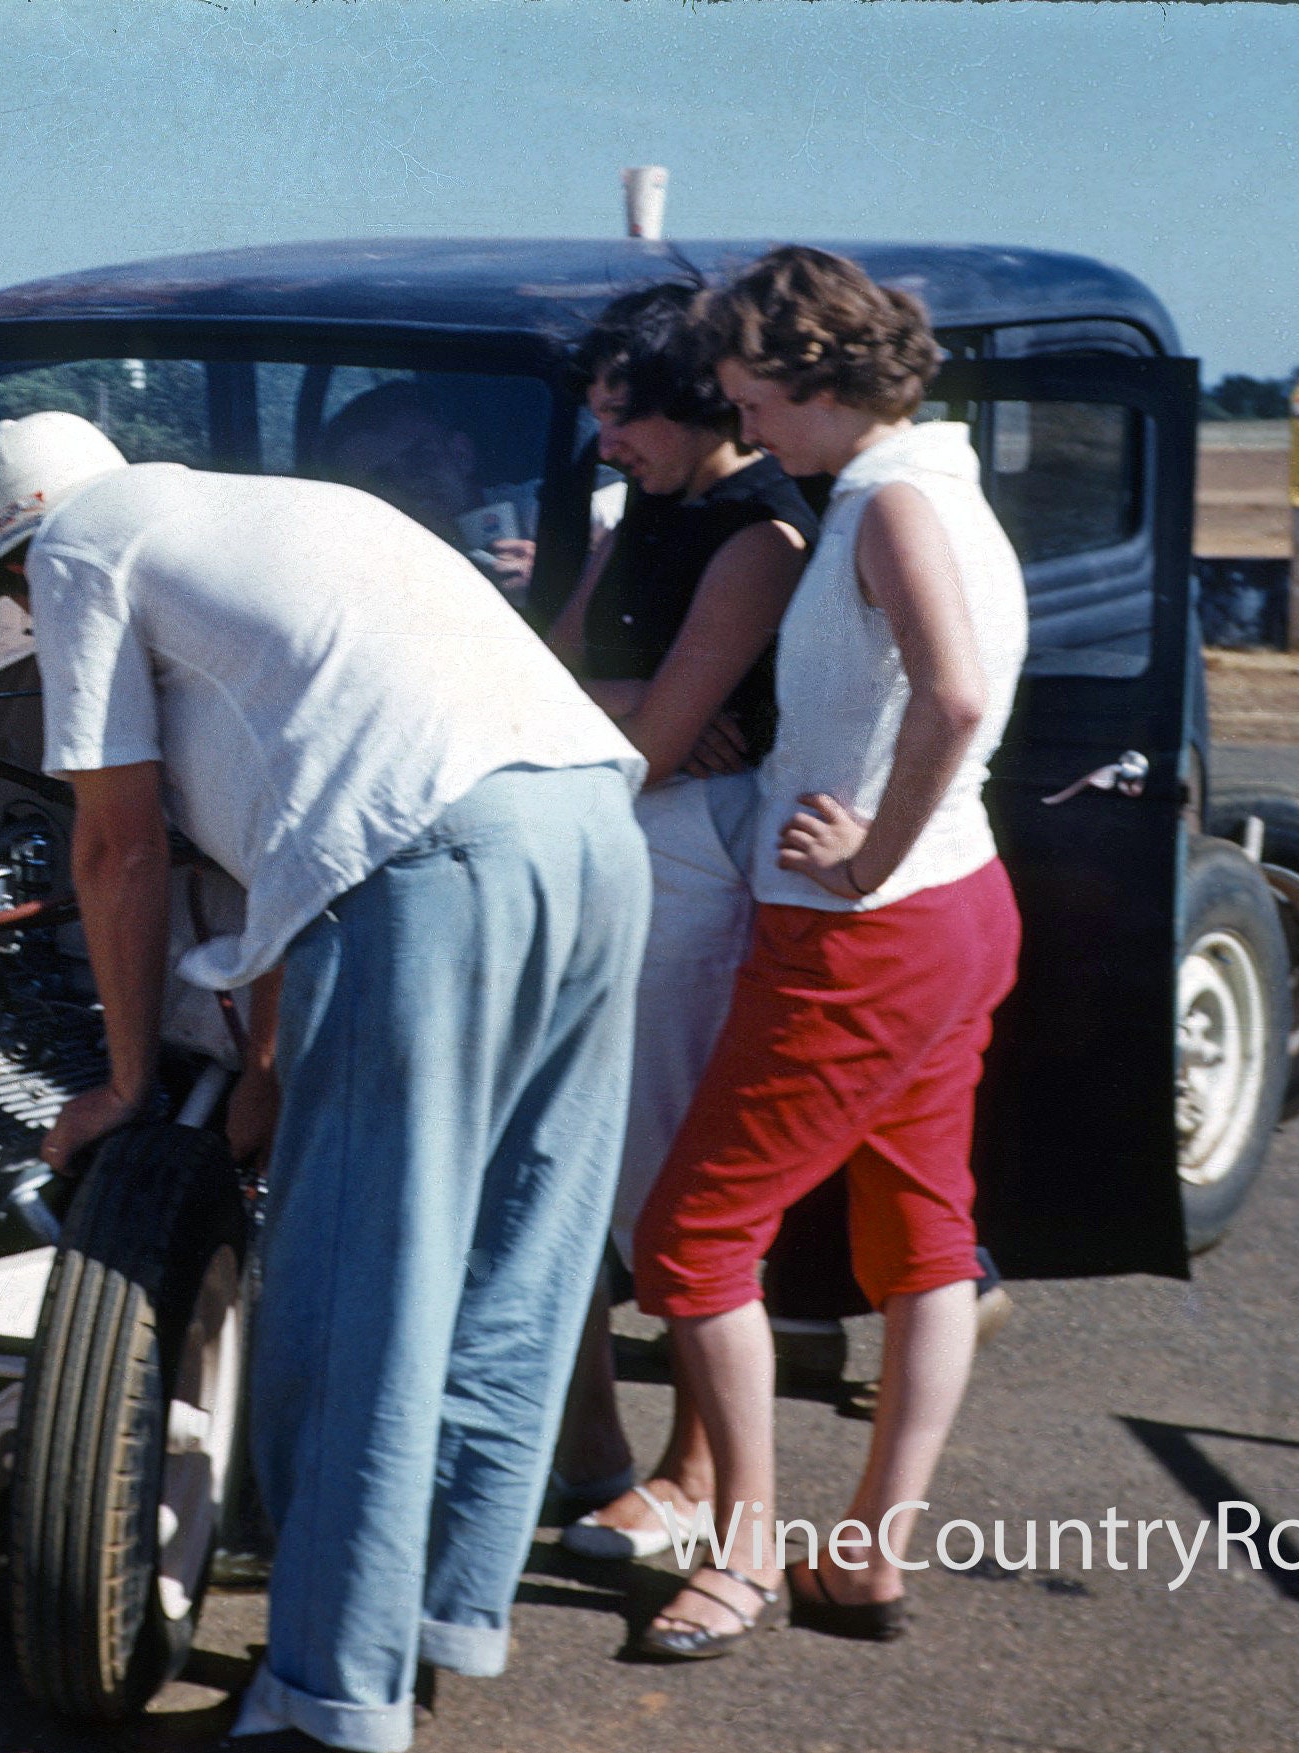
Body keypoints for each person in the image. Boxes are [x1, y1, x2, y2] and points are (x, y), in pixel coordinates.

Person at [0, 410, 649, 1752]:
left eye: (4, 591)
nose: (22, 616)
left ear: (20, 547)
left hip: (435, 866)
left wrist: (125, 1082)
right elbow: (311, 793)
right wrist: (265, 1061)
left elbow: (117, 845)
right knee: (516, 1252)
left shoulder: (86, 547)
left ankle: (330, 1698)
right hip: (589, 833)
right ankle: (440, 1618)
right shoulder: (274, 514)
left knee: (351, 1293)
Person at [625, 245, 1029, 1659]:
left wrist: (862, 857)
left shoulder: (886, 501)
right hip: (956, 910)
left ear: (815, 380)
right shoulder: (941, 484)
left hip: (865, 931)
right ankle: (863, 1554)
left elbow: (955, 694)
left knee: (690, 1242)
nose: (744, 424)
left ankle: (737, 1555)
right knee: (921, 1235)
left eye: (753, 397)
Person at [531, 283, 817, 1560]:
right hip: (619, 841)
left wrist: (615, 706)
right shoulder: (643, 512)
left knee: (674, 1186)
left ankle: (697, 1470)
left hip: (696, 861)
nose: (608, 445)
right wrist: (628, 694)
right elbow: (545, 673)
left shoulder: (758, 535)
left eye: (624, 418)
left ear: (699, 403)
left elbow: (646, 747)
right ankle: (640, 1461)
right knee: (608, 1175)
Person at [317, 379, 549, 606]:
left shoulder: (545, 510)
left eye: (420, 459)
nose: (408, 484)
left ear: (461, 454)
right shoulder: (364, 577)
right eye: (382, 481)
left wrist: (551, 578)